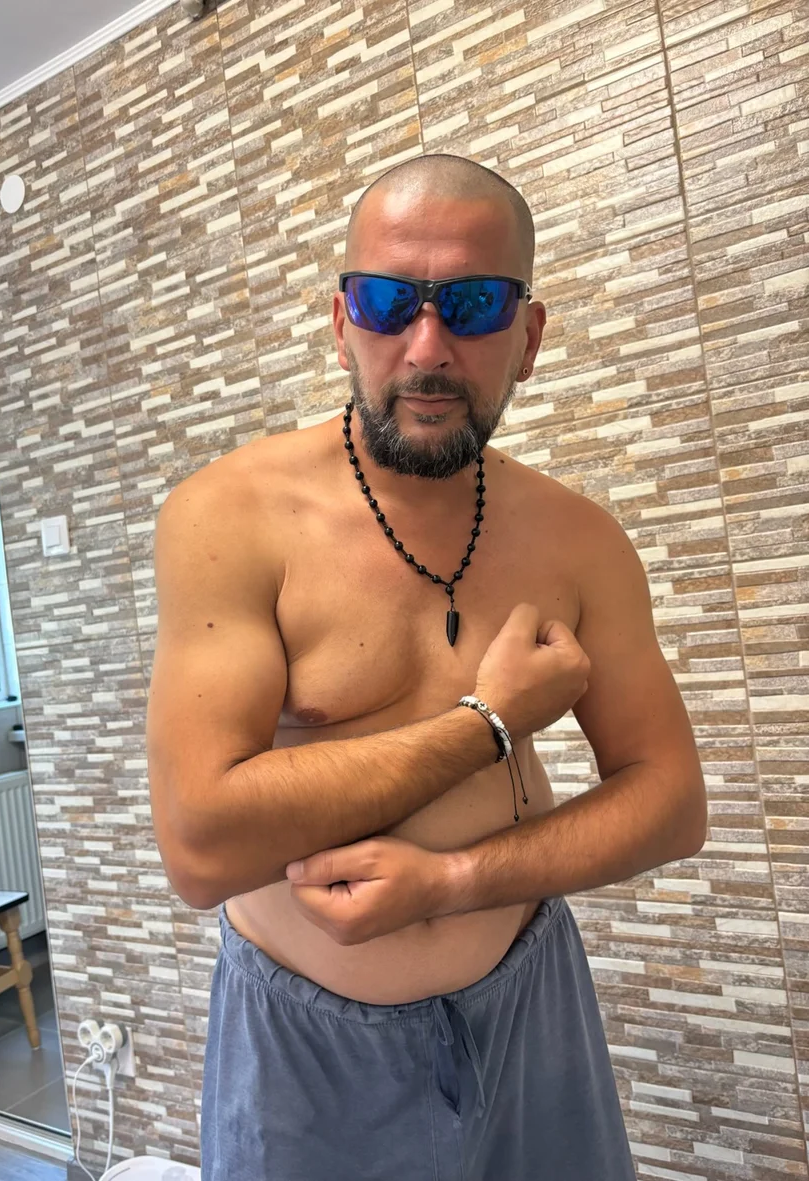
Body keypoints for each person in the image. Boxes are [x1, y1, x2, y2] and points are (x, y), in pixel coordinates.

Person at [146, 153, 707, 1181]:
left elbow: (672, 801)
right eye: (387, 301)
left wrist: (452, 880)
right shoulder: (228, 518)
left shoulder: (581, 540)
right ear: (341, 321)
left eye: (475, 304)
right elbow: (200, 847)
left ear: (528, 336)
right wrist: (487, 723)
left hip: (531, 1008)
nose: (428, 347)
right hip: (303, 1056)